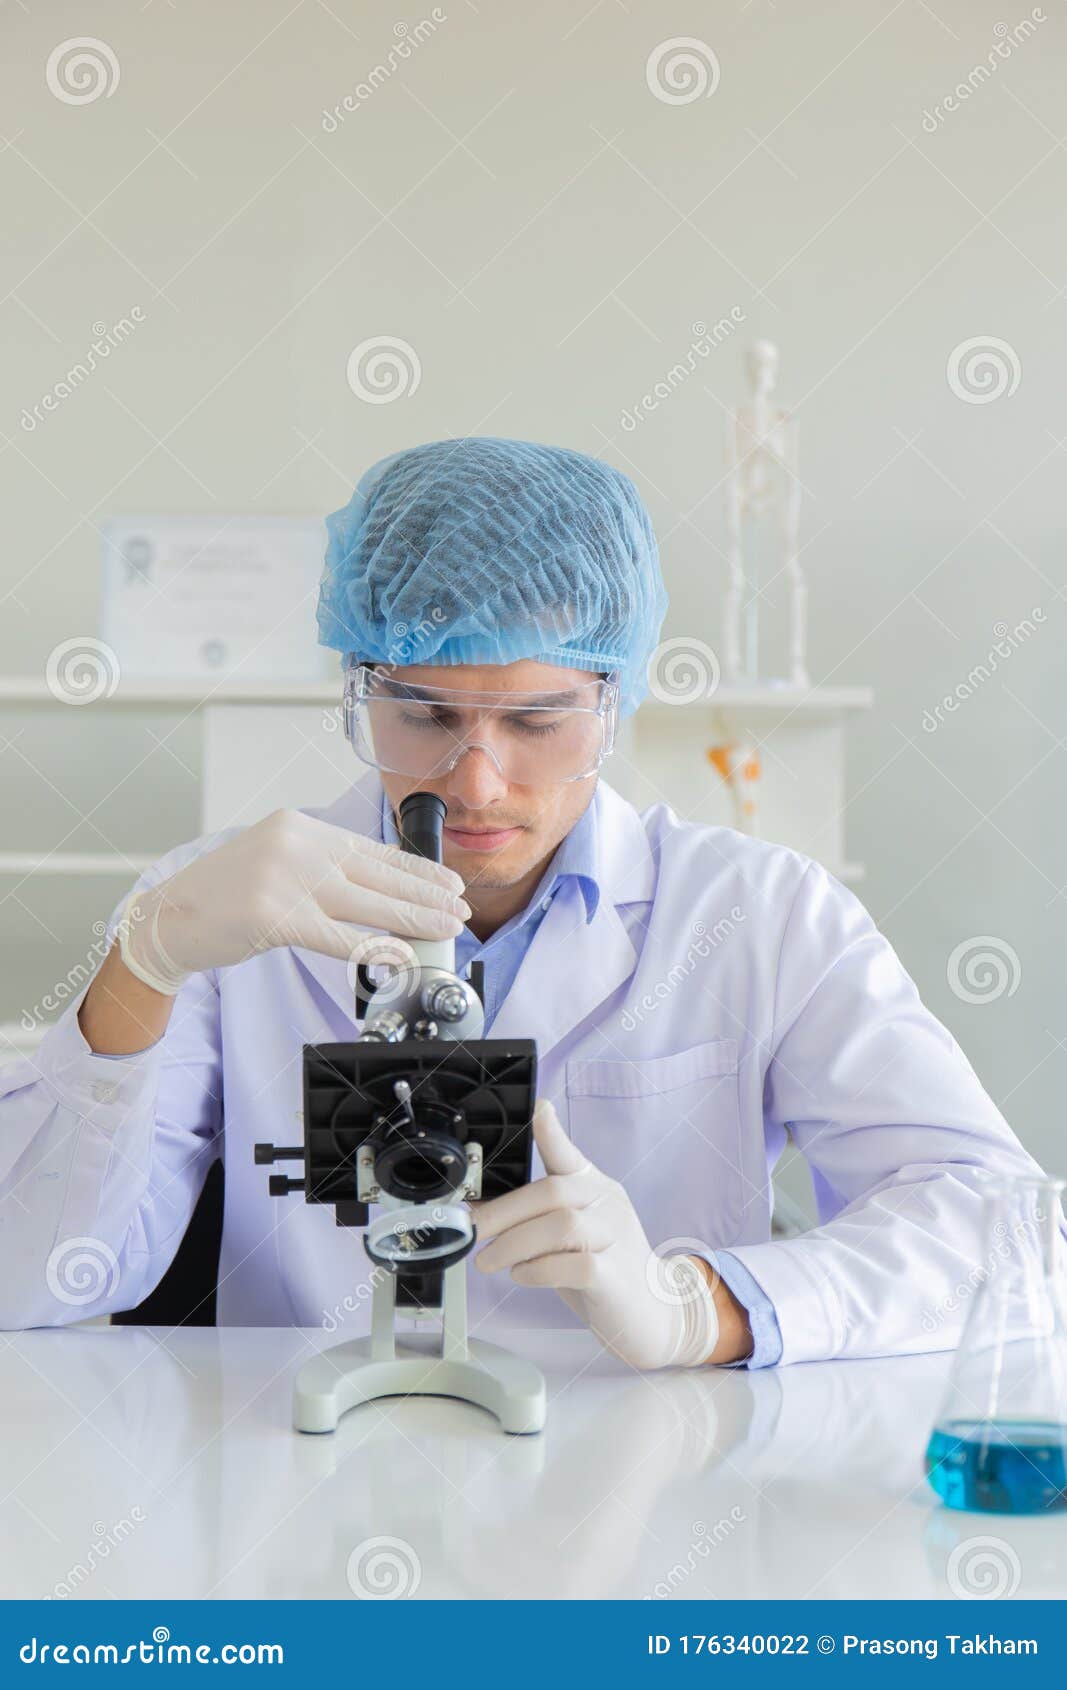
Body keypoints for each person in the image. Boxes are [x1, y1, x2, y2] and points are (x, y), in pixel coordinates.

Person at [0, 437, 1049, 1368]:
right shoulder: (213, 906)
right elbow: (31, 1279)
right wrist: (141, 966)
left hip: (647, 1492)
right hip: (301, 1480)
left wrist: (699, 1306)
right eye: (422, 712)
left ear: (613, 703)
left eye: (539, 723)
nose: (476, 780)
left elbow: (1008, 1236)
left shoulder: (760, 915)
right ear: (359, 689)